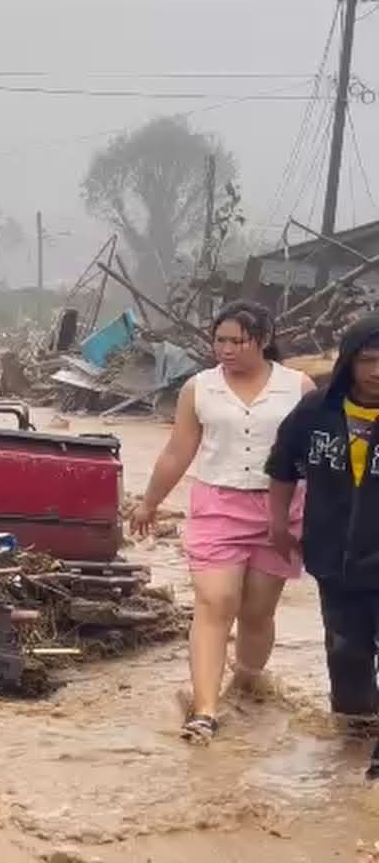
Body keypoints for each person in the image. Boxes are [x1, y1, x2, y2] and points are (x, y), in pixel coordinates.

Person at [130, 300, 311, 743]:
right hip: (216, 505)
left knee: (256, 612)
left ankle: (247, 685)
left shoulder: (298, 387)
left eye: (237, 341)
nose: (226, 350)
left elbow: (317, 453)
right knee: (215, 602)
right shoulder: (200, 388)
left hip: (280, 509)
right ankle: (206, 710)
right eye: (220, 341)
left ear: (263, 340)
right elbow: (179, 451)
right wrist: (149, 502)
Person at [267, 313, 379, 773]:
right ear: (348, 363)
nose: (376, 372)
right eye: (368, 360)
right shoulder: (315, 412)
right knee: (346, 651)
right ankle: (352, 744)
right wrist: (277, 524)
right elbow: (281, 468)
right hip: (333, 556)